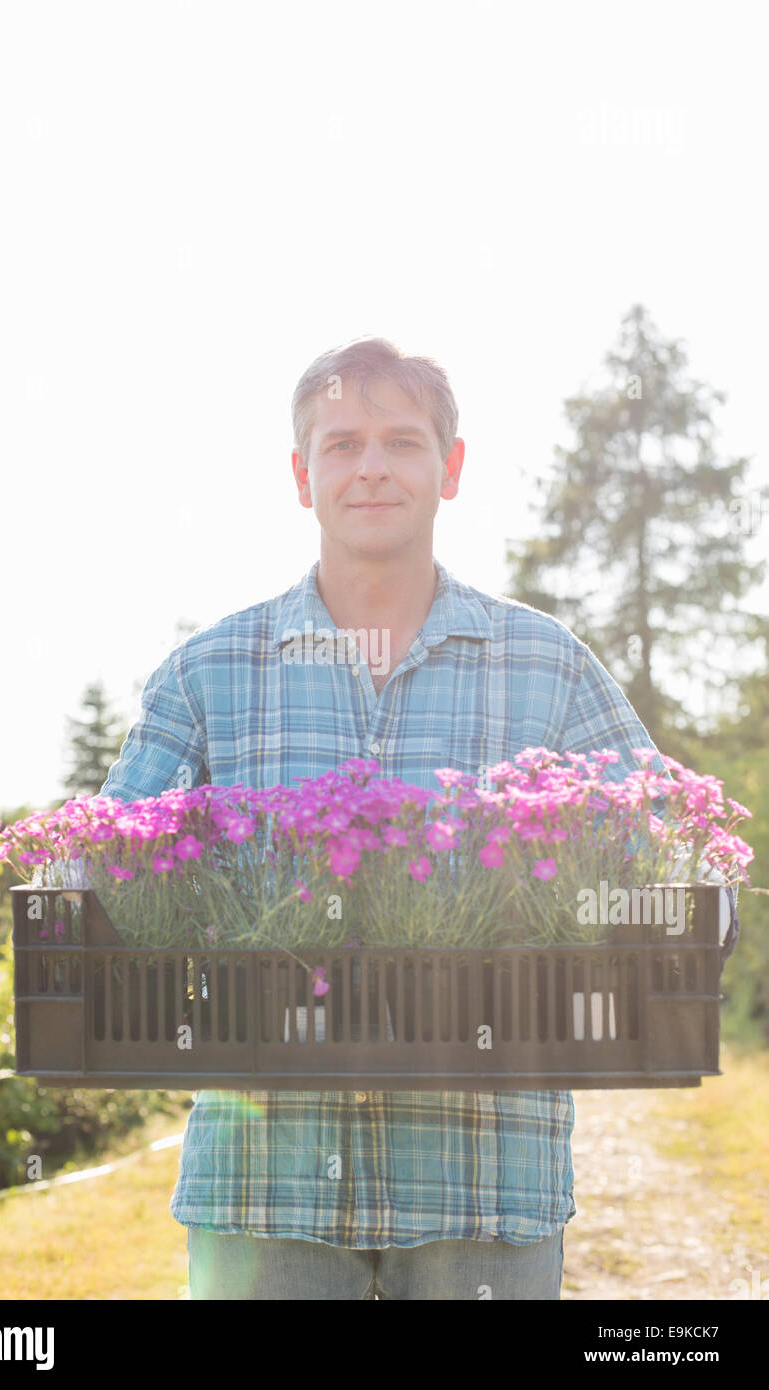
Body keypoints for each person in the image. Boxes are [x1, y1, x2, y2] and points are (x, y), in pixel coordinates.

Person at [99, 336, 738, 1300]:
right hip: (265, 1197)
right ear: (301, 476)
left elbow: (678, 856)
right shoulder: (210, 672)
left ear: (451, 467)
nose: (372, 467)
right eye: (342, 443)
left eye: (402, 441)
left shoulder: (545, 663)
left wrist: (679, 926)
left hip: (483, 1186)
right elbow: (99, 867)